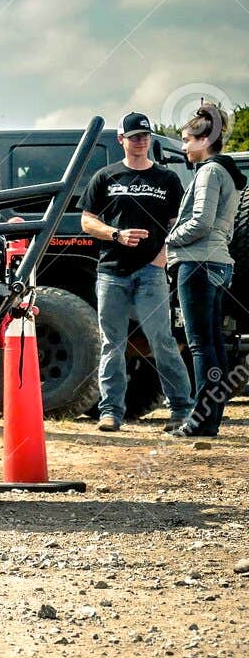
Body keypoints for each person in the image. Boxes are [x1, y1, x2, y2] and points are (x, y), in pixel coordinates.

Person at [79, 111, 194, 432]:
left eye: (145, 136)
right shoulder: (105, 176)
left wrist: (163, 256)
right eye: (134, 137)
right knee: (112, 343)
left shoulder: (167, 179)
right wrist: (116, 234)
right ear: (122, 140)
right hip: (111, 273)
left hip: (151, 273)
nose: (141, 142)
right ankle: (111, 412)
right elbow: (87, 220)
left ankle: (182, 410)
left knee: (162, 340)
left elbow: (178, 225)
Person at [166, 104, 245, 438]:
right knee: (212, 343)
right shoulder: (228, 172)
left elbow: (201, 221)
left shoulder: (210, 172)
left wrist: (167, 240)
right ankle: (209, 419)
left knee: (201, 345)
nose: (183, 147)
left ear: (204, 139)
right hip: (218, 261)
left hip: (198, 262)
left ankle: (200, 420)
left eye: (186, 140)